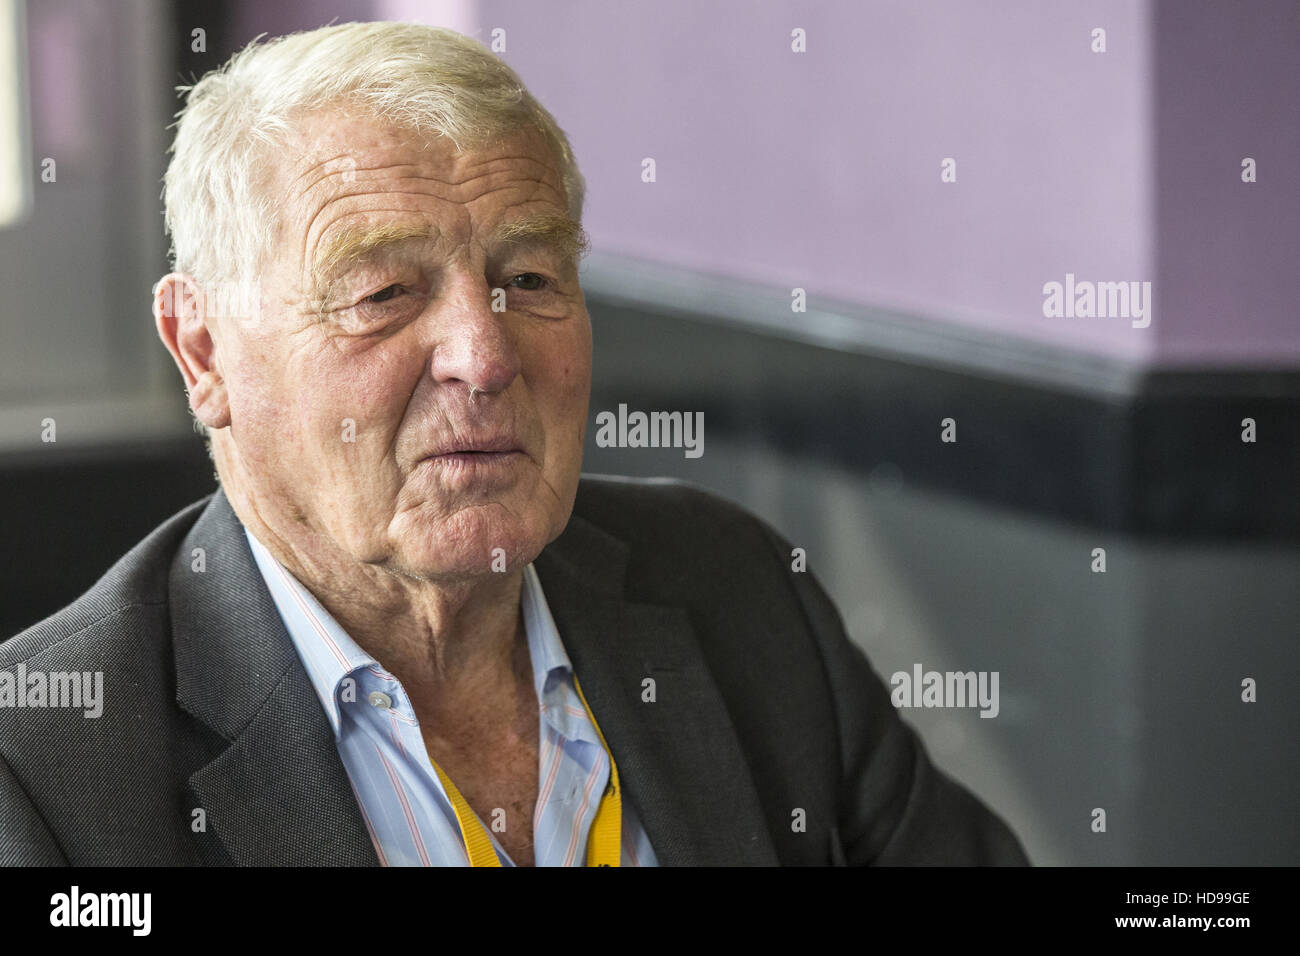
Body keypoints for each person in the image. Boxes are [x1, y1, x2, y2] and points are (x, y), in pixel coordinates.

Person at [0, 21, 1028, 866]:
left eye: (530, 279)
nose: (483, 356)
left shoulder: (738, 589)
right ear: (204, 349)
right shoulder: (49, 768)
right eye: (383, 292)